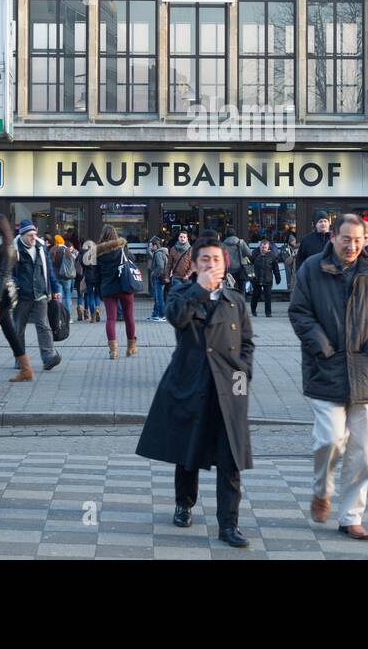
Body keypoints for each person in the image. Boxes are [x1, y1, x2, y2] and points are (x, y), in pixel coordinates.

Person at [136, 238, 254, 548]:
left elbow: (246, 344)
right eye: (204, 259)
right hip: (192, 383)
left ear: (225, 263)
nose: (210, 265)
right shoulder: (182, 292)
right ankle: (184, 503)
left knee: (231, 459)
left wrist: (242, 383)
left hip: (229, 387)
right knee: (189, 453)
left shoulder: (235, 300)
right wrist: (200, 289)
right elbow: (176, 317)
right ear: (195, 263)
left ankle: (229, 525)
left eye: (216, 259)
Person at [289, 213, 368, 540]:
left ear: (366, 240)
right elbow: (299, 312)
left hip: (366, 370)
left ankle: (351, 515)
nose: (352, 245)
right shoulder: (311, 268)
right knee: (330, 440)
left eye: (358, 239)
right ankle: (322, 490)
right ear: (333, 237)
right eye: (346, 238)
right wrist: (322, 347)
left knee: (362, 453)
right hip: (326, 368)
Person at [0, 214, 32, 383]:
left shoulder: (7, 248)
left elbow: (3, 276)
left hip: (3, 297)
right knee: (10, 334)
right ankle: (26, 370)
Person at [11, 220, 63, 372]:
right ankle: (20, 359)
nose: (33, 237)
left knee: (43, 326)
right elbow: (9, 273)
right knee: (18, 328)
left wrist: (55, 287)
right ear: (22, 235)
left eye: (34, 234)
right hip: (21, 296)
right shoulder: (14, 250)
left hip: (40, 294)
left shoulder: (41, 248)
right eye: (30, 235)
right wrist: (15, 285)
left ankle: (48, 358)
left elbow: (49, 270)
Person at [96, 224, 137, 359]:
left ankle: (113, 351)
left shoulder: (98, 253)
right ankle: (131, 347)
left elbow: (96, 274)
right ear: (115, 235)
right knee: (129, 317)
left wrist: (99, 289)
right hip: (124, 286)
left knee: (110, 319)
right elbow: (133, 260)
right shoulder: (122, 249)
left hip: (108, 289)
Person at [249, 238, 283, 318]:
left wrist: (278, 278)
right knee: (255, 295)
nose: (264, 249)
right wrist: (250, 276)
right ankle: (253, 310)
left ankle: (268, 312)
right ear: (260, 247)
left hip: (268, 278)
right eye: (262, 247)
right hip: (257, 278)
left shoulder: (272, 255)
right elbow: (249, 264)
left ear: (268, 247)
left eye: (265, 247)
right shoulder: (255, 253)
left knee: (268, 296)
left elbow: (275, 268)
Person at [51, 235, 78, 317]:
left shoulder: (52, 250)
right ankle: (68, 317)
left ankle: (59, 316)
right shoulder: (66, 250)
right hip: (66, 277)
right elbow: (72, 262)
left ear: (56, 242)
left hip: (56, 277)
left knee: (59, 297)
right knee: (67, 296)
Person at [146, 237, 169, 322]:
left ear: (155, 245)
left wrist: (153, 273)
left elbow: (160, 266)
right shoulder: (159, 252)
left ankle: (162, 315)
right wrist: (149, 252)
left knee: (159, 297)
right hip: (161, 277)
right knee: (157, 297)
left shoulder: (158, 253)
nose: (150, 247)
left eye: (150, 245)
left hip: (159, 277)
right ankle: (155, 314)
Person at [80, 239, 101, 322]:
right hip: (97, 277)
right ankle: (97, 308)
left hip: (88, 277)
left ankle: (92, 316)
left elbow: (82, 265)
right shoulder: (98, 254)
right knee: (97, 294)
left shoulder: (85, 255)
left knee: (90, 295)